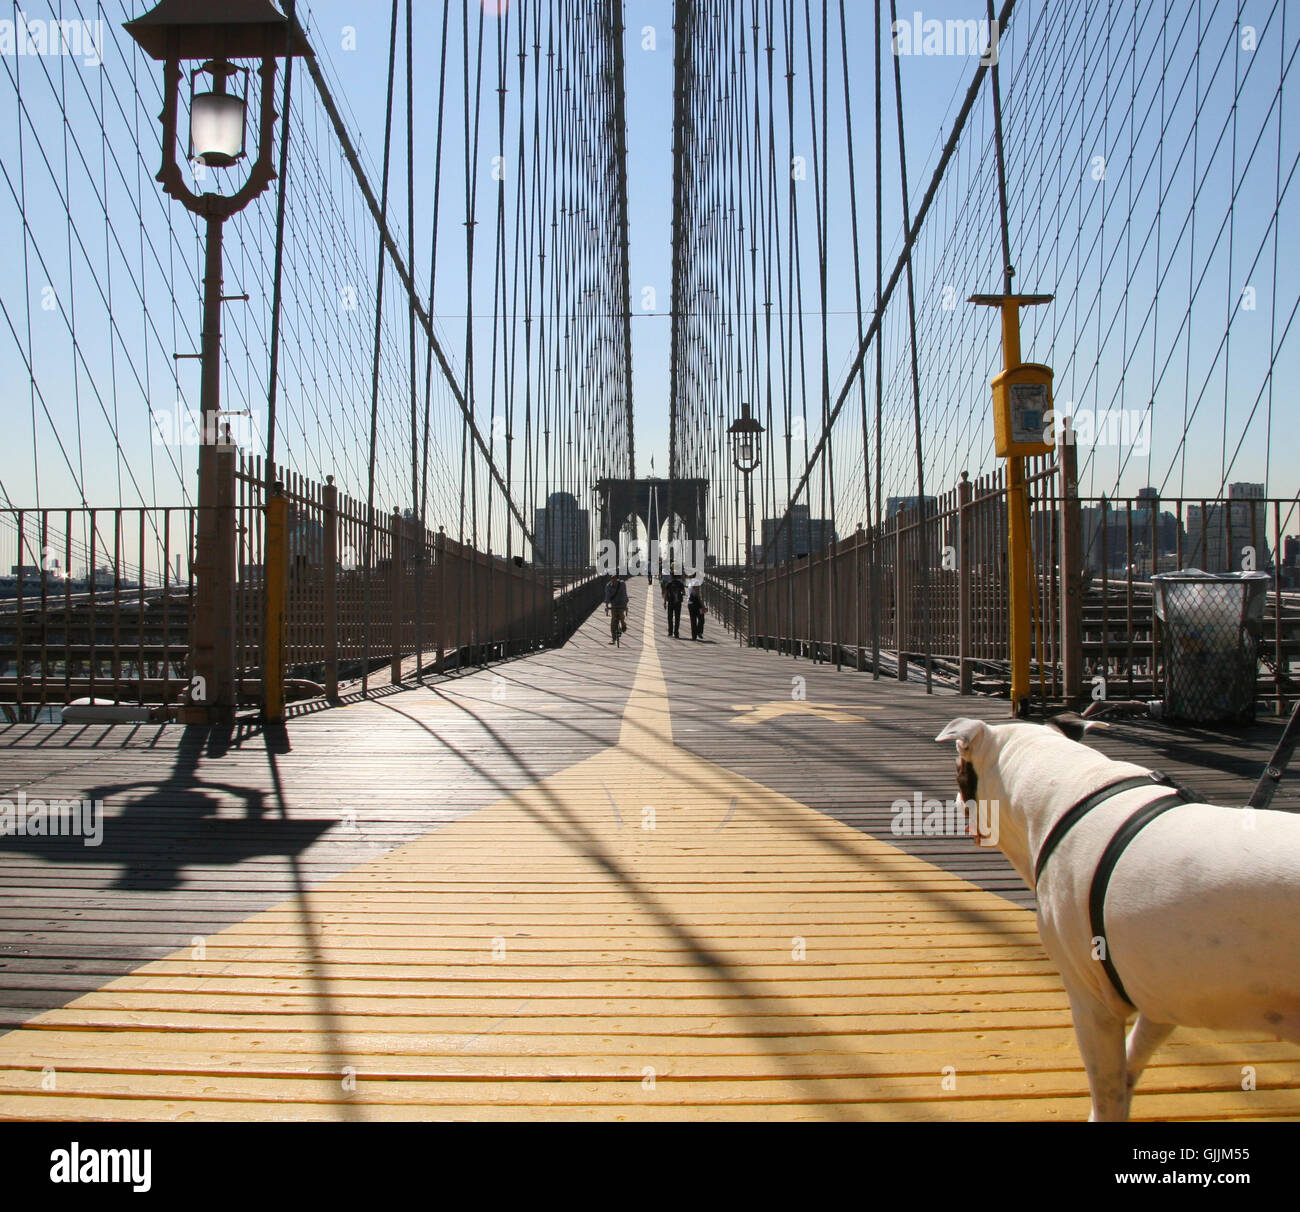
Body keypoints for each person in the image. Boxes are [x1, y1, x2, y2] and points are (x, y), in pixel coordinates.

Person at [604, 575, 628, 644]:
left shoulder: (622, 584)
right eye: (612, 579)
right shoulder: (608, 586)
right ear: (611, 579)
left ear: (617, 579)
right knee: (613, 621)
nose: (614, 580)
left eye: (615, 579)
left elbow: (624, 595)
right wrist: (606, 606)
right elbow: (607, 596)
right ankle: (613, 639)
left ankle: (623, 624)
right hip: (614, 604)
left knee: (621, 616)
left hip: (621, 603)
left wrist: (625, 605)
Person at [664, 572, 685, 638]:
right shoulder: (680, 584)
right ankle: (676, 633)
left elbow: (665, 594)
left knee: (670, 617)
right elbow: (683, 592)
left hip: (670, 602)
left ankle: (670, 632)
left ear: (672, 577)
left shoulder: (669, 584)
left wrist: (664, 602)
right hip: (678, 603)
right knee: (677, 618)